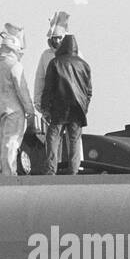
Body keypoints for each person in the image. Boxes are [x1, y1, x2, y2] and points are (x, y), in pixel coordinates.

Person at [0, 22, 39, 177]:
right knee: (12, 142)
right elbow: (22, 91)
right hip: (14, 110)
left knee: (1, 142)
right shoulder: (15, 66)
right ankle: (9, 173)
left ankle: (1, 170)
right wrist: (30, 110)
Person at [40, 34, 92, 175]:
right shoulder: (84, 65)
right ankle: (73, 170)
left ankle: (51, 169)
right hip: (77, 109)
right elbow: (89, 92)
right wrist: (84, 108)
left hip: (59, 107)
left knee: (53, 137)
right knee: (74, 139)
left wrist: (44, 108)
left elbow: (48, 88)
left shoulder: (55, 62)